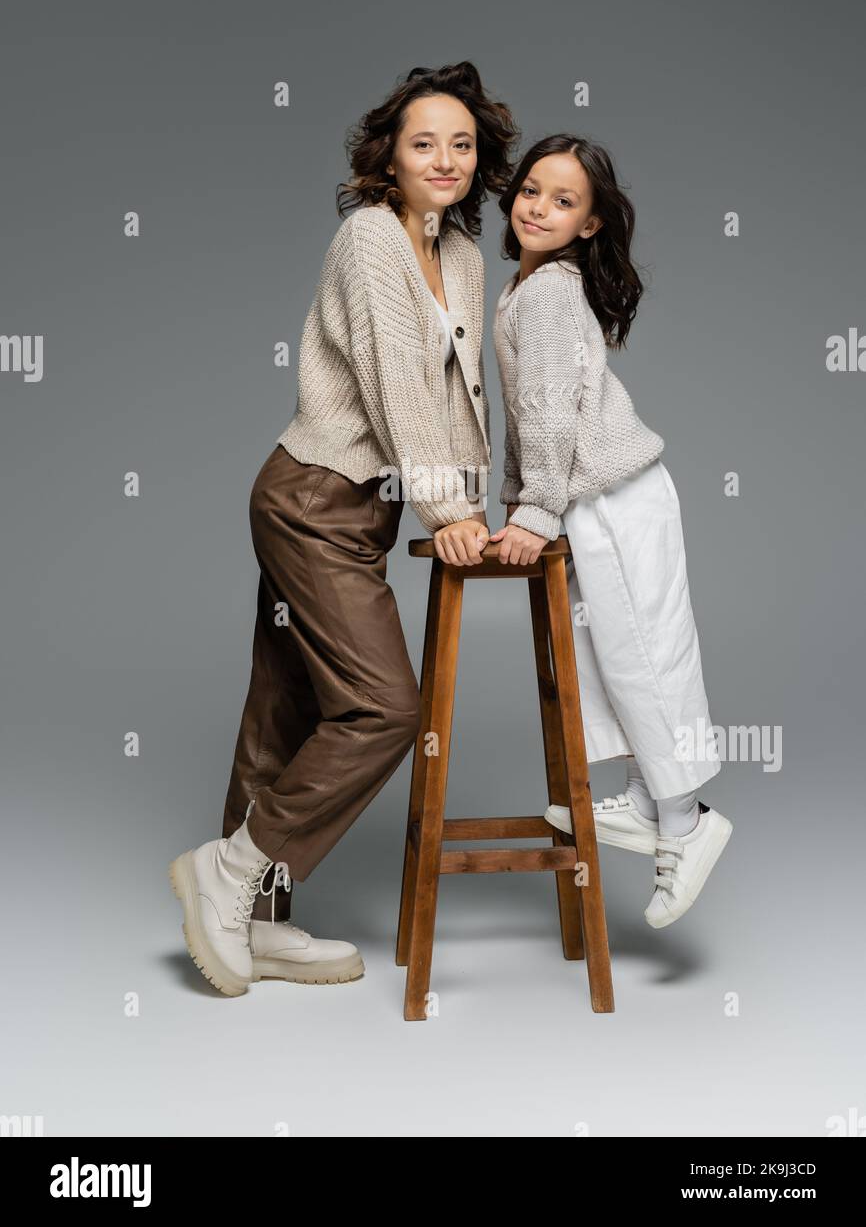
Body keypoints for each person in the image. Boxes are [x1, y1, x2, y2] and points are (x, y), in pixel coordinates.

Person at [169, 62, 518, 995]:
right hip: (313, 496)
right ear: (387, 160)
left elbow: (457, 400)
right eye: (422, 143)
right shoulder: (370, 239)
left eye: (462, 144)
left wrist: (472, 503)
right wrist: (449, 509)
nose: (444, 159)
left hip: (364, 505)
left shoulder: (465, 259)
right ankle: (231, 871)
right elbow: (394, 387)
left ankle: (260, 916)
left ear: (480, 161)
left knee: (286, 708)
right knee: (382, 707)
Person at [488, 134, 732, 928]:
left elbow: (554, 410)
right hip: (589, 499)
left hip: (615, 496)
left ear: (591, 225)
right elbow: (531, 420)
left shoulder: (552, 292)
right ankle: (641, 799)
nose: (539, 208)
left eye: (564, 202)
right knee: (605, 652)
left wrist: (536, 510)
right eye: (532, 190)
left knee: (643, 654)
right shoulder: (524, 291)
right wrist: (527, 495)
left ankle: (687, 822)